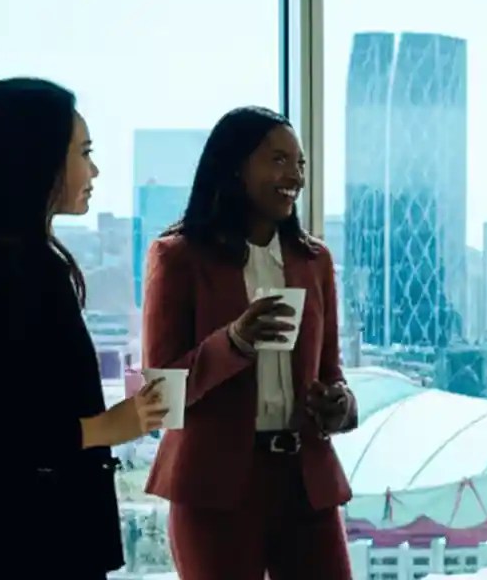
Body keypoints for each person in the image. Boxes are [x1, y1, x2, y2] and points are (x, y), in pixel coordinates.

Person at [0, 78, 168, 579]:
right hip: (21, 542)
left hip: (19, 537)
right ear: (34, 159)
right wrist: (108, 427)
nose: (94, 169)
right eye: (83, 151)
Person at [141, 106, 357, 580]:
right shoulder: (178, 256)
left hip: (305, 481)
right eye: (278, 160)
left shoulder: (313, 259)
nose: (294, 176)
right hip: (214, 486)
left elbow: (331, 373)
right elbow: (158, 398)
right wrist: (234, 343)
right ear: (235, 166)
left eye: (299, 164)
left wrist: (339, 404)